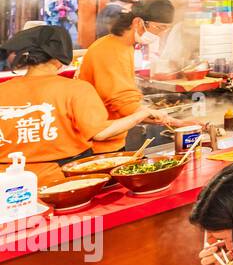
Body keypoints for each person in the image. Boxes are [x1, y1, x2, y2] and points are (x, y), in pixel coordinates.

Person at [0, 26, 153, 185]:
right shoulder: (76, 89)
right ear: (60, 59)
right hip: (64, 183)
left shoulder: (2, 90)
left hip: (8, 185)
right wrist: (141, 114)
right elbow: (101, 133)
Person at [77, 0, 180, 153]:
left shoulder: (122, 46)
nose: (161, 35)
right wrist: (177, 123)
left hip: (111, 137)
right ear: (138, 22)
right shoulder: (110, 50)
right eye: (160, 28)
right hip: (98, 144)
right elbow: (122, 102)